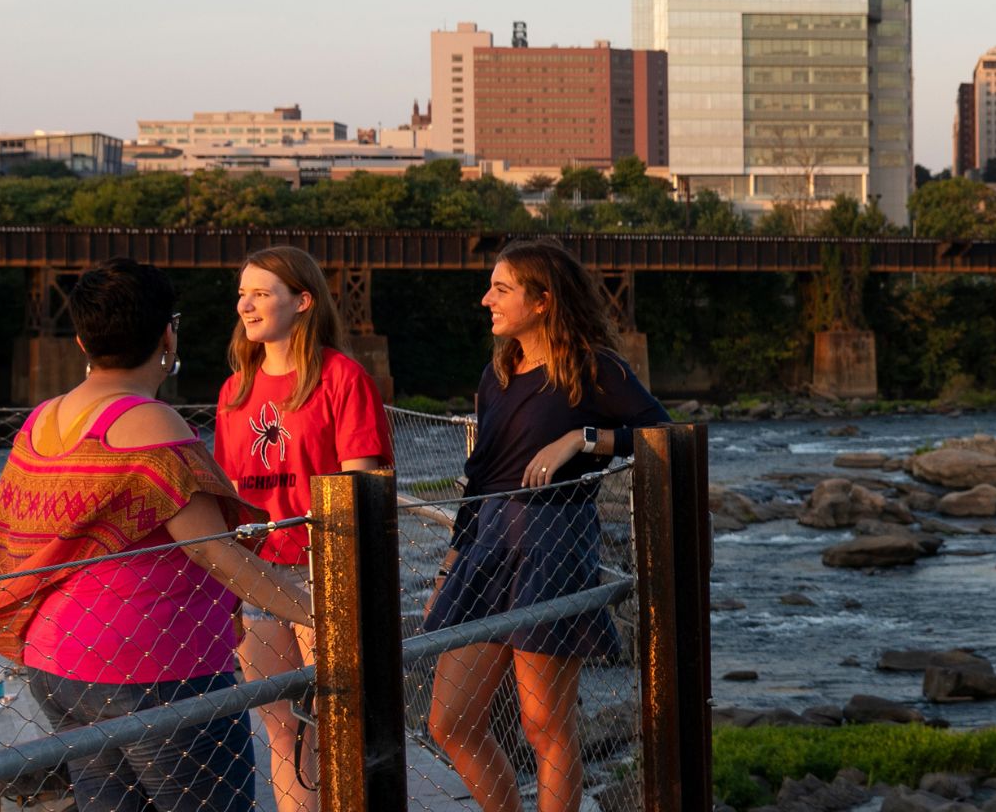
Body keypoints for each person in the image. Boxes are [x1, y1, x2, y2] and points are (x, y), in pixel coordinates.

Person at [0, 260, 315, 812]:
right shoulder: (155, 424)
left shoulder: (43, 419)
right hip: (157, 667)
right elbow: (212, 550)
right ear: (167, 333)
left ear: (82, 338)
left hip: (58, 663)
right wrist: (320, 615)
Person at [424, 239, 666, 812]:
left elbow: (665, 437)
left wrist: (583, 439)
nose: (486, 299)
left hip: (555, 543)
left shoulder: (594, 369)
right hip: (487, 547)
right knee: (450, 721)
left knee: (545, 726)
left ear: (542, 300)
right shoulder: (498, 373)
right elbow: (479, 476)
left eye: (501, 288)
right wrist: (451, 561)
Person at [209, 247, 390, 812]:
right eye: (243, 293)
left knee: (339, 728)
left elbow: (365, 487)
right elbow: (226, 501)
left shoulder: (343, 378)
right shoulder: (234, 390)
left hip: (326, 575)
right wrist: (230, 588)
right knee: (282, 733)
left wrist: (352, 578)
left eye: (262, 293)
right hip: (258, 576)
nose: (246, 304)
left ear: (302, 301)